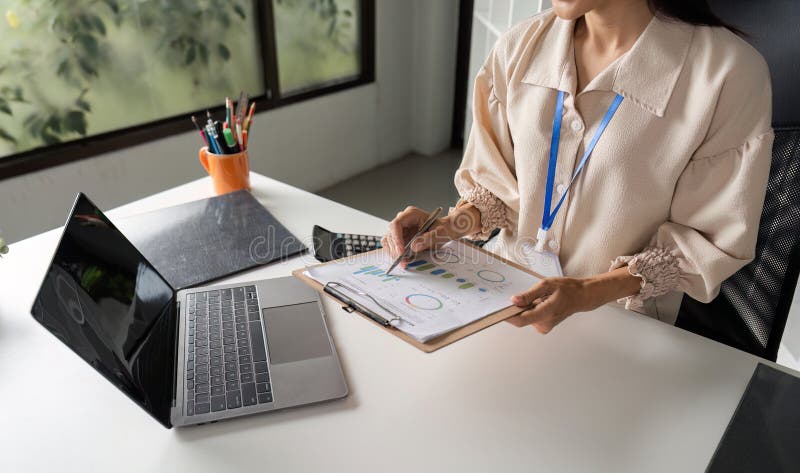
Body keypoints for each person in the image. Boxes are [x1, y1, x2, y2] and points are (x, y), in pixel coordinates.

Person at [383, 0, 773, 334]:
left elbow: (704, 241)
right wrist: (452, 226)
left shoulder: (727, 74)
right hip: (497, 300)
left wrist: (586, 292)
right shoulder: (519, 46)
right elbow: (500, 191)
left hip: (622, 330)